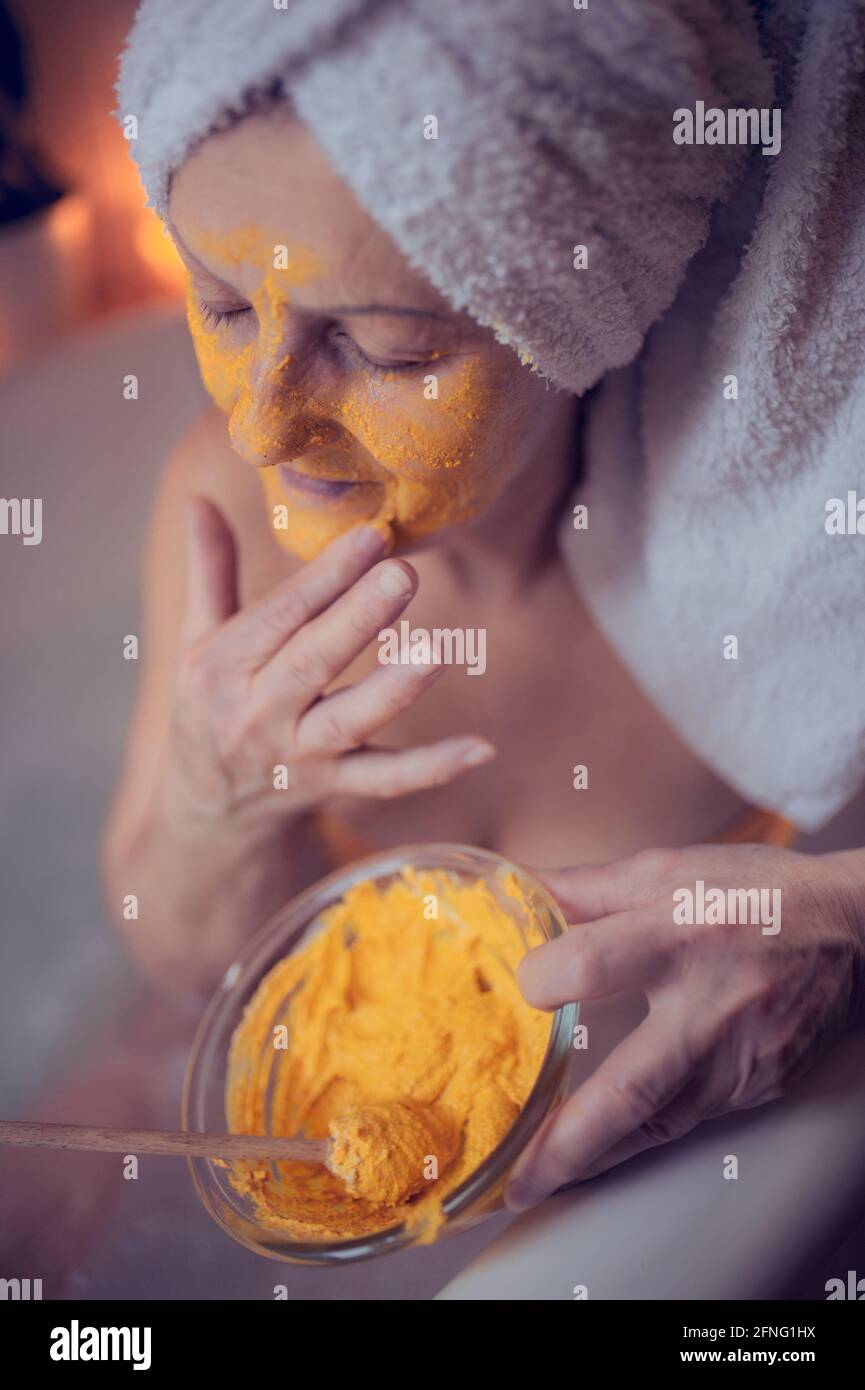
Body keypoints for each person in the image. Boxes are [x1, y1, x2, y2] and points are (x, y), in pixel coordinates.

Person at [106, 0, 865, 1211]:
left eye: (389, 351)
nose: (260, 425)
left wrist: (846, 919)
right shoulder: (224, 509)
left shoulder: (789, 562)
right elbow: (185, 959)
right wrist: (213, 799)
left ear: (585, 320)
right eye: (224, 303)